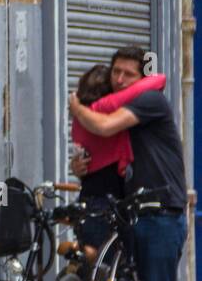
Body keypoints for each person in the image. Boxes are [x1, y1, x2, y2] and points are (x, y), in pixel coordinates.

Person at [69, 46, 188, 281]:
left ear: (143, 78)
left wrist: (76, 106)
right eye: (115, 72)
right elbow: (105, 155)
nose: (119, 80)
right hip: (131, 217)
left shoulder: (150, 101)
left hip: (161, 216)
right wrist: (79, 166)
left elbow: (105, 127)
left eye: (128, 74)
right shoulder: (121, 105)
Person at [69, 63, 166, 250]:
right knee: (114, 268)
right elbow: (159, 80)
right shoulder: (107, 108)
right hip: (113, 202)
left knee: (92, 267)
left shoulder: (79, 120)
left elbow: (84, 160)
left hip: (88, 198)